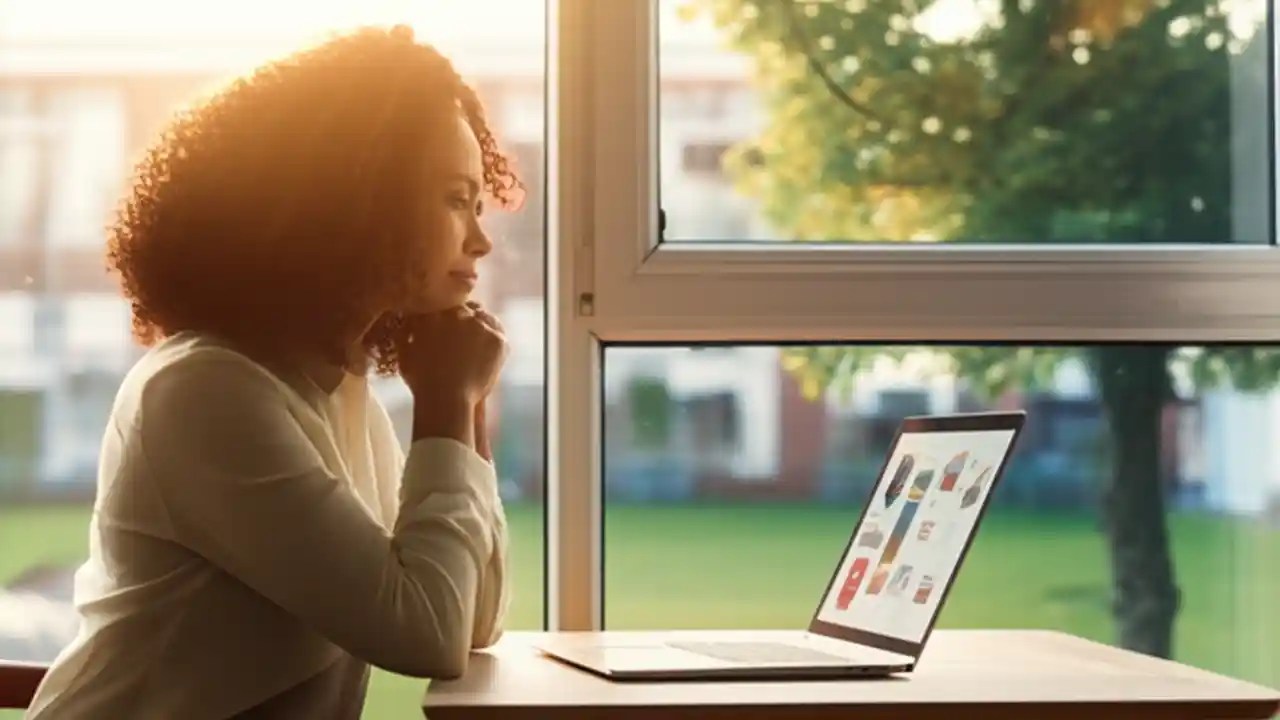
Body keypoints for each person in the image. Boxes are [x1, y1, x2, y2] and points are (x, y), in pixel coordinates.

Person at [26, 24, 520, 719]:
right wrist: (444, 398)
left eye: (477, 202)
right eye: (452, 197)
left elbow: (472, 622)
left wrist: (465, 410)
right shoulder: (203, 394)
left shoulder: (340, 391)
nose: (481, 237)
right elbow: (427, 638)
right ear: (355, 195)